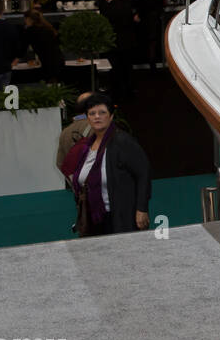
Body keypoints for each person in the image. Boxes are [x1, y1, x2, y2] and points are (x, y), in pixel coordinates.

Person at [58, 92, 151, 237]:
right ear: (87, 118)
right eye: (92, 113)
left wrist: (142, 209)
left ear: (111, 116)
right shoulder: (86, 146)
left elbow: (143, 174)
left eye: (102, 112)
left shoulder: (122, 141)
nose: (97, 117)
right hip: (93, 217)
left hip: (119, 216)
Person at [100, 0, 138, 101]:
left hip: (114, 43)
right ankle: (129, 90)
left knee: (115, 68)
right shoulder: (126, 6)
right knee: (127, 67)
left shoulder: (106, 9)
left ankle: (116, 92)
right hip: (128, 42)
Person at [55, 91, 94, 172]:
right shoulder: (98, 127)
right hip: (99, 182)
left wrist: (75, 180)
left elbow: (60, 164)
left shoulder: (65, 132)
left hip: (77, 181)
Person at [22, 8, 64, 82]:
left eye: (25, 19)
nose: (24, 21)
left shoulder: (30, 31)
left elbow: (23, 47)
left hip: (48, 63)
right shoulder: (48, 28)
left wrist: (16, 59)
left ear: (29, 19)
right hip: (58, 59)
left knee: (49, 84)